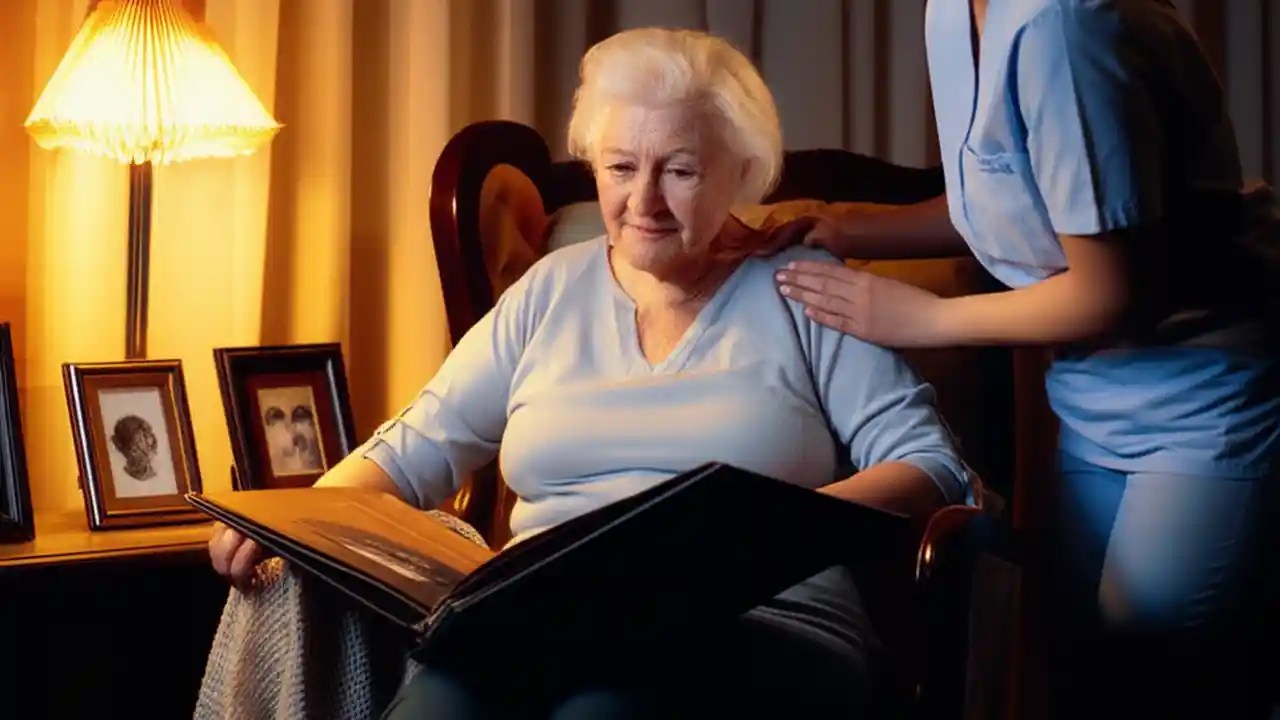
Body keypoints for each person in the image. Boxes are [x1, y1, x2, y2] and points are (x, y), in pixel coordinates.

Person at [209, 27, 972, 720]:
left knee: (601, 710)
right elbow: (410, 450)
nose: (644, 201)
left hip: (760, 622)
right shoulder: (548, 290)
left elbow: (932, 466)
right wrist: (291, 524)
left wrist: (770, 527)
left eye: (679, 170)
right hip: (535, 626)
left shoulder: (804, 289)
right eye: (619, 167)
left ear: (742, 172)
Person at [771, 1, 1279, 716]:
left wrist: (927, 318)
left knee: (1152, 669)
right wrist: (850, 230)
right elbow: (1002, 194)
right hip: (1095, 392)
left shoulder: (1061, 23)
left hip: (1210, 391)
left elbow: (1110, 290)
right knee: (1075, 665)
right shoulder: (953, 12)